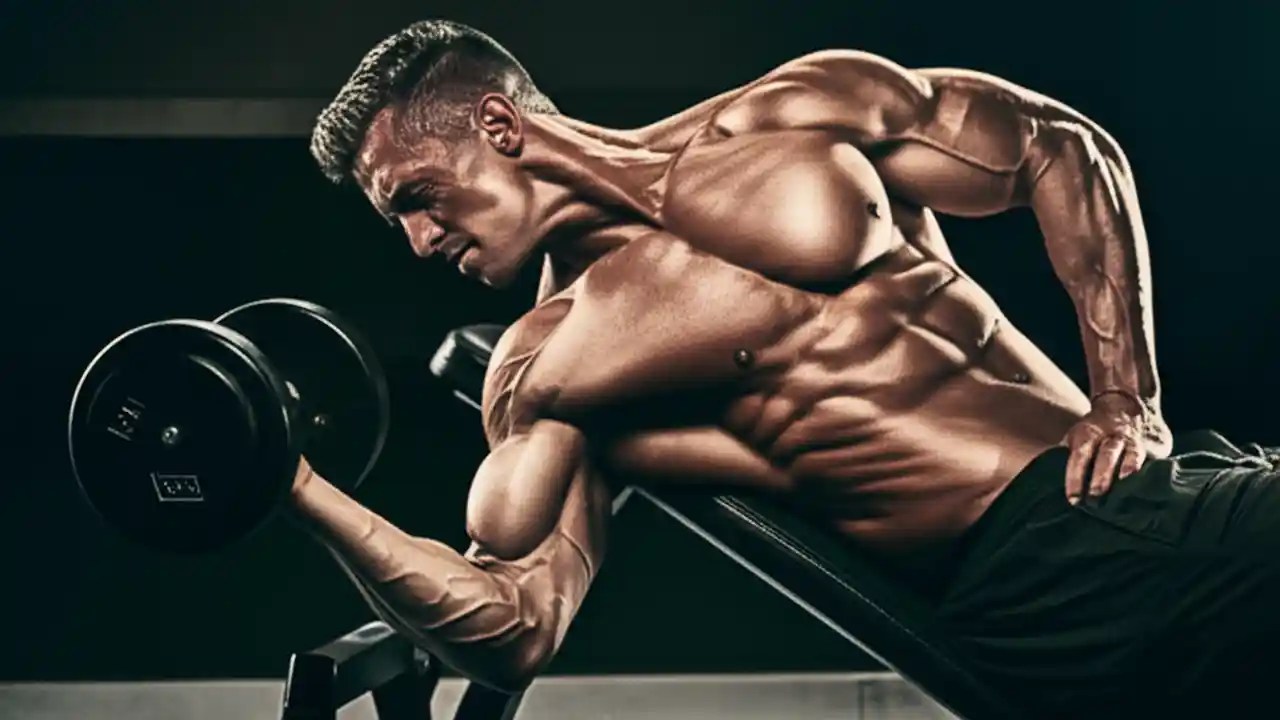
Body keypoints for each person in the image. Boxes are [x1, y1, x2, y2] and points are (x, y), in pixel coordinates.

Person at [292, 19, 1280, 718]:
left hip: (1156, 502)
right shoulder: (548, 361)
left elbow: (1056, 150)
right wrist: (289, 480)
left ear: (501, 129)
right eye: (398, 223)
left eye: (420, 196)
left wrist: (1122, 395)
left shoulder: (791, 118)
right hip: (1060, 575)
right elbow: (512, 620)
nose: (420, 242)